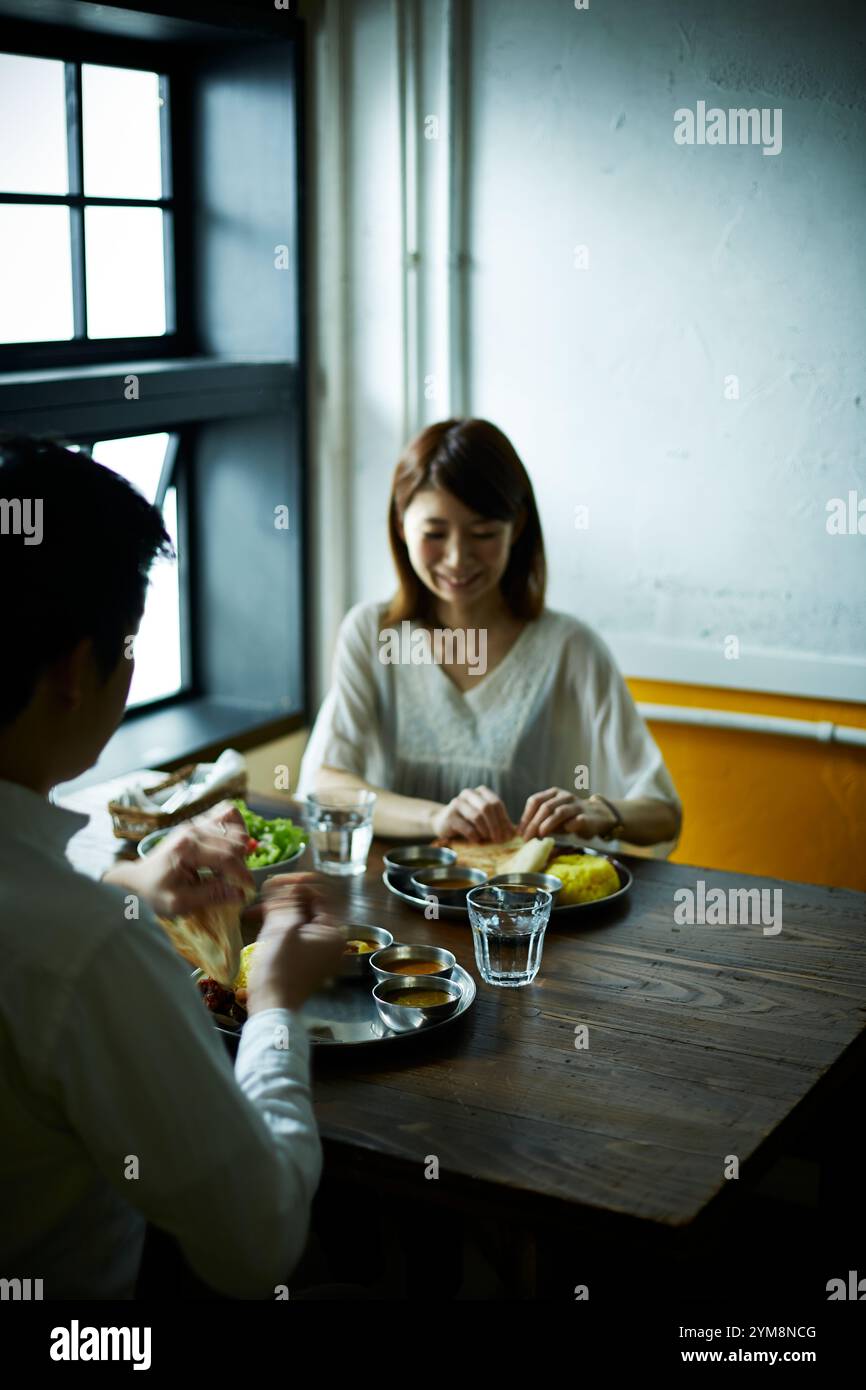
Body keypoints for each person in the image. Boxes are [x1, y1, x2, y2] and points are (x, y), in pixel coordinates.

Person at [0, 436, 345, 1299]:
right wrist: (274, 1004)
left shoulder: (67, 925)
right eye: (129, 645)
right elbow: (259, 1241)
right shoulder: (87, 956)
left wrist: (131, 887)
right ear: (80, 669)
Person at [299, 418, 682, 855]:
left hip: (532, 917)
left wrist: (602, 812)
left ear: (516, 528)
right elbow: (327, 783)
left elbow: (664, 812)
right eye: (435, 534)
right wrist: (437, 817)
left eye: (482, 534)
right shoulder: (372, 634)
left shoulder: (571, 649)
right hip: (402, 901)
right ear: (401, 525)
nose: (457, 558)